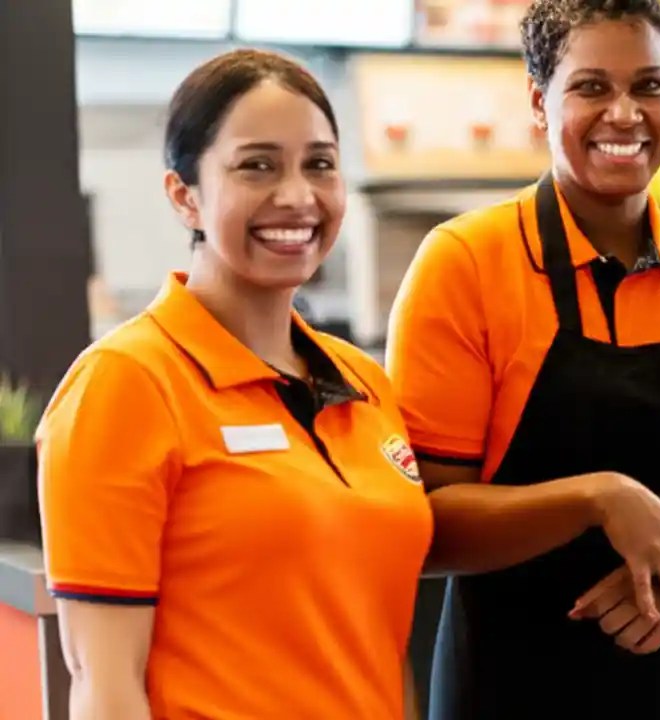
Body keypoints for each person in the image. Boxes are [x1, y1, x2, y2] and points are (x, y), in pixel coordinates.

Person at [385, 1, 660, 717]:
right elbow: (424, 523)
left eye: (648, 86)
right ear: (540, 101)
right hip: (510, 688)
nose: (625, 113)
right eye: (591, 87)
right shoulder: (465, 263)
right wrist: (598, 499)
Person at [37, 49, 432, 719]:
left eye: (320, 164)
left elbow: (380, 646)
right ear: (183, 194)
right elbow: (104, 686)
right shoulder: (125, 384)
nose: (297, 196)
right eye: (257, 165)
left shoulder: (364, 381)